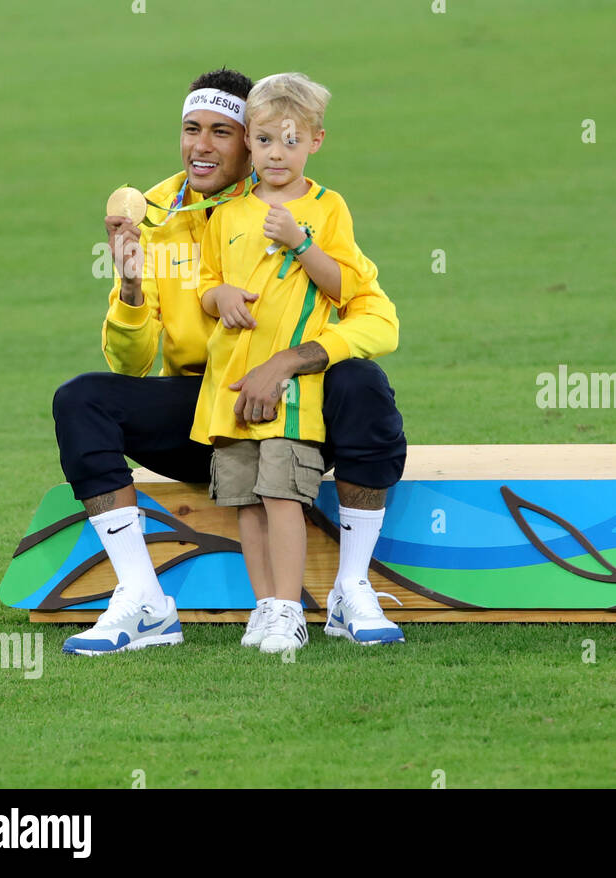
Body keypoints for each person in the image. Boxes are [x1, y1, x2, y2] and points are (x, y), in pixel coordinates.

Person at [55, 68, 408, 655]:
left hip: (302, 412)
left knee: (361, 380)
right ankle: (143, 599)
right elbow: (132, 363)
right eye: (192, 129)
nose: (202, 146)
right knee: (81, 399)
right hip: (210, 414)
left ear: (254, 139)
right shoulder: (155, 216)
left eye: (223, 132)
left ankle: (352, 586)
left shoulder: (309, 210)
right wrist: (132, 288)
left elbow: (378, 318)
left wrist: (294, 359)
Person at [196, 71, 365, 653]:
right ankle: (263, 606)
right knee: (244, 499)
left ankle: (291, 608)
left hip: (292, 394)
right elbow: (208, 284)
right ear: (249, 141)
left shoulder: (327, 207)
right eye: (265, 140)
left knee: (281, 495)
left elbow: (343, 285)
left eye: (291, 141)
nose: (276, 153)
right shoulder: (228, 212)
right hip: (231, 386)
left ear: (315, 141)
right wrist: (220, 299)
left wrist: (300, 241)